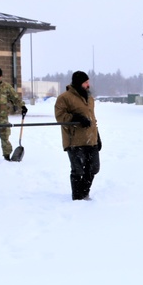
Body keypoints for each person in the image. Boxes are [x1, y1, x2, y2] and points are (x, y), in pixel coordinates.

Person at [55, 70, 100, 200]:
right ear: (78, 83)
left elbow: (93, 119)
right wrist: (76, 118)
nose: (88, 85)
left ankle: (84, 192)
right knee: (78, 170)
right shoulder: (64, 98)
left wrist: (97, 136)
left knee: (94, 168)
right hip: (74, 140)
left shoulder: (90, 98)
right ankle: (77, 197)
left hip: (91, 139)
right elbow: (60, 117)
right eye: (85, 82)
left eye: (88, 82)